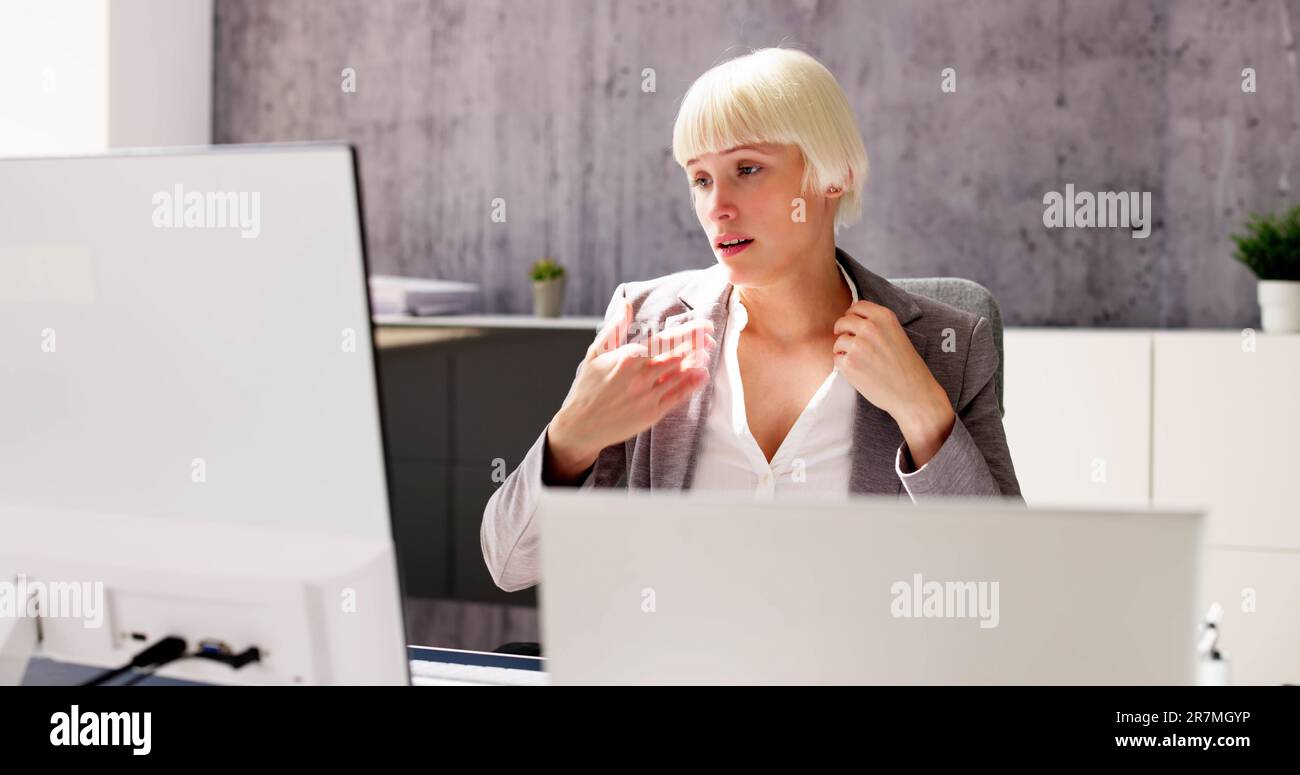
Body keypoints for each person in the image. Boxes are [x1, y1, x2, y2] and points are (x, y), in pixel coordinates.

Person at [482, 47, 1022, 592]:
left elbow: (1003, 582)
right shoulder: (644, 323)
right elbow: (510, 566)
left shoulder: (945, 345)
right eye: (700, 179)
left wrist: (924, 415)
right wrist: (570, 438)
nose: (718, 206)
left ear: (834, 175)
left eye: (747, 169)